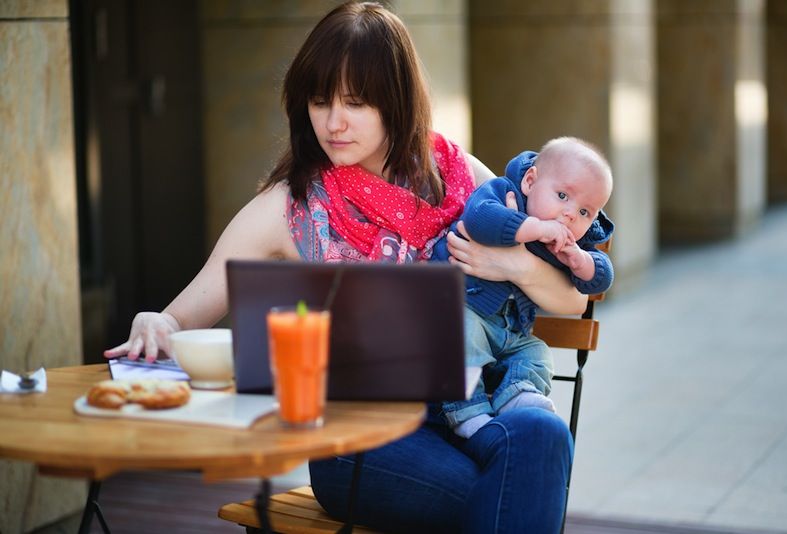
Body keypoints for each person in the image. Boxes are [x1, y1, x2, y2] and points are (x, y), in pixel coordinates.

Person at [105, 2, 587, 532]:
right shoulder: (287, 208)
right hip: (360, 438)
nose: (333, 123)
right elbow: (184, 314)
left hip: (478, 402)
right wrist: (158, 323)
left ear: (397, 103)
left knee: (542, 440)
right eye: (319, 101)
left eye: (355, 103)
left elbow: (573, 298)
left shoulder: (463, 179)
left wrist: (509, 263)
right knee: (514, 485)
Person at [432, 137, 614, 439]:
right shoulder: (505, 192)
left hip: (513, 332)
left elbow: (601, 276)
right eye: (562, 196)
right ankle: (466, 411)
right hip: (465, 308)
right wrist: (533, 228)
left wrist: (580, 260)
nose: (570, 214)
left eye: (585, 212)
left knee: (538, 354)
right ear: (530, 181)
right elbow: (478, 218)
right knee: (460, 336)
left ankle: (517, 395)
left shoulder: (573, 241)